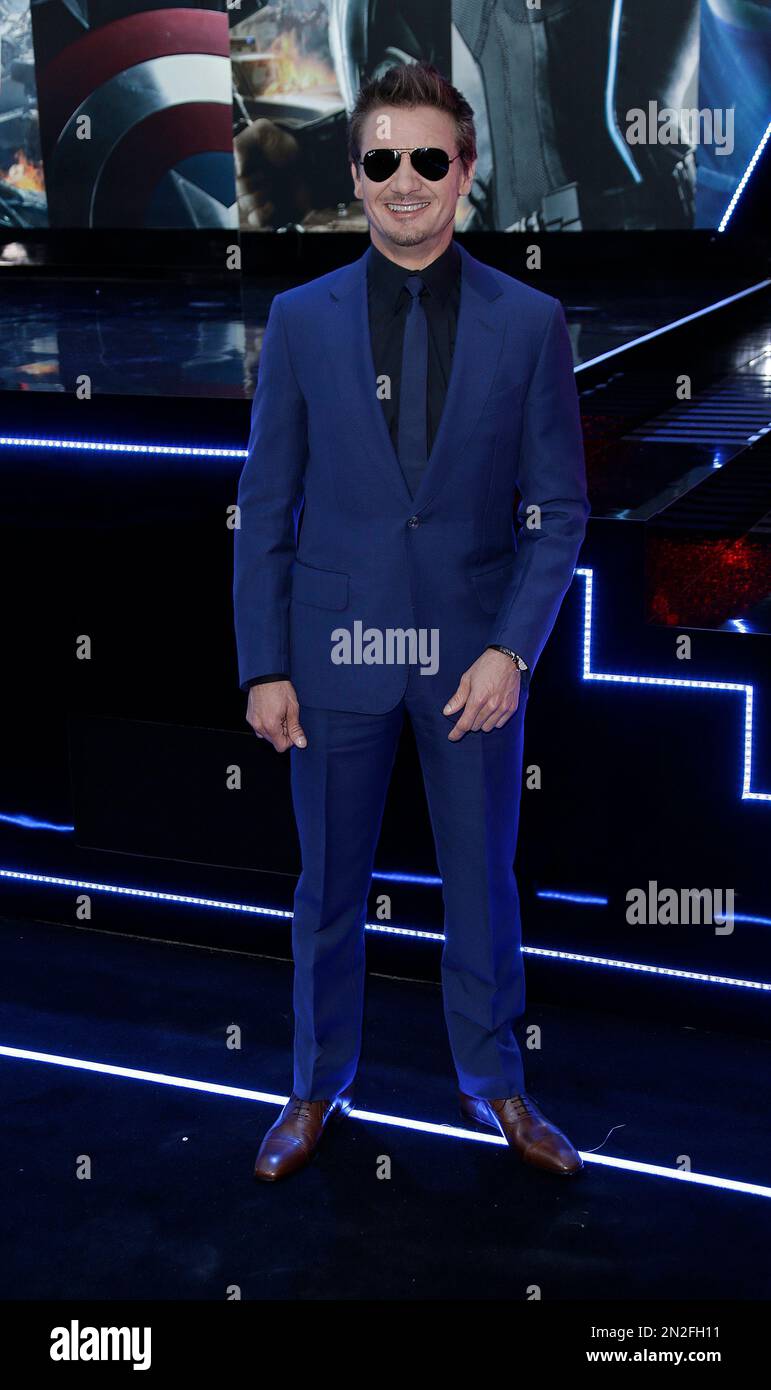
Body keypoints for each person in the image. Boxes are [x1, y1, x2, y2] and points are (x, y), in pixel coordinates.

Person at [233, 60, 590, 1182]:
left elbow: (560, 506)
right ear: (356, 172)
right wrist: (265, 666)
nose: (404, 181)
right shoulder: (299, 319)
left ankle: (498, 1084)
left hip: (470, 658)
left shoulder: (529, 323)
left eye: (428, 159)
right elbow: (265, 509)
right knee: (326, 887)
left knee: (483, 885)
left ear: (466, 174)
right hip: (331, 655)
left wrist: (510, 650)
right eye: (382, 159)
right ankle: (312, 1085)